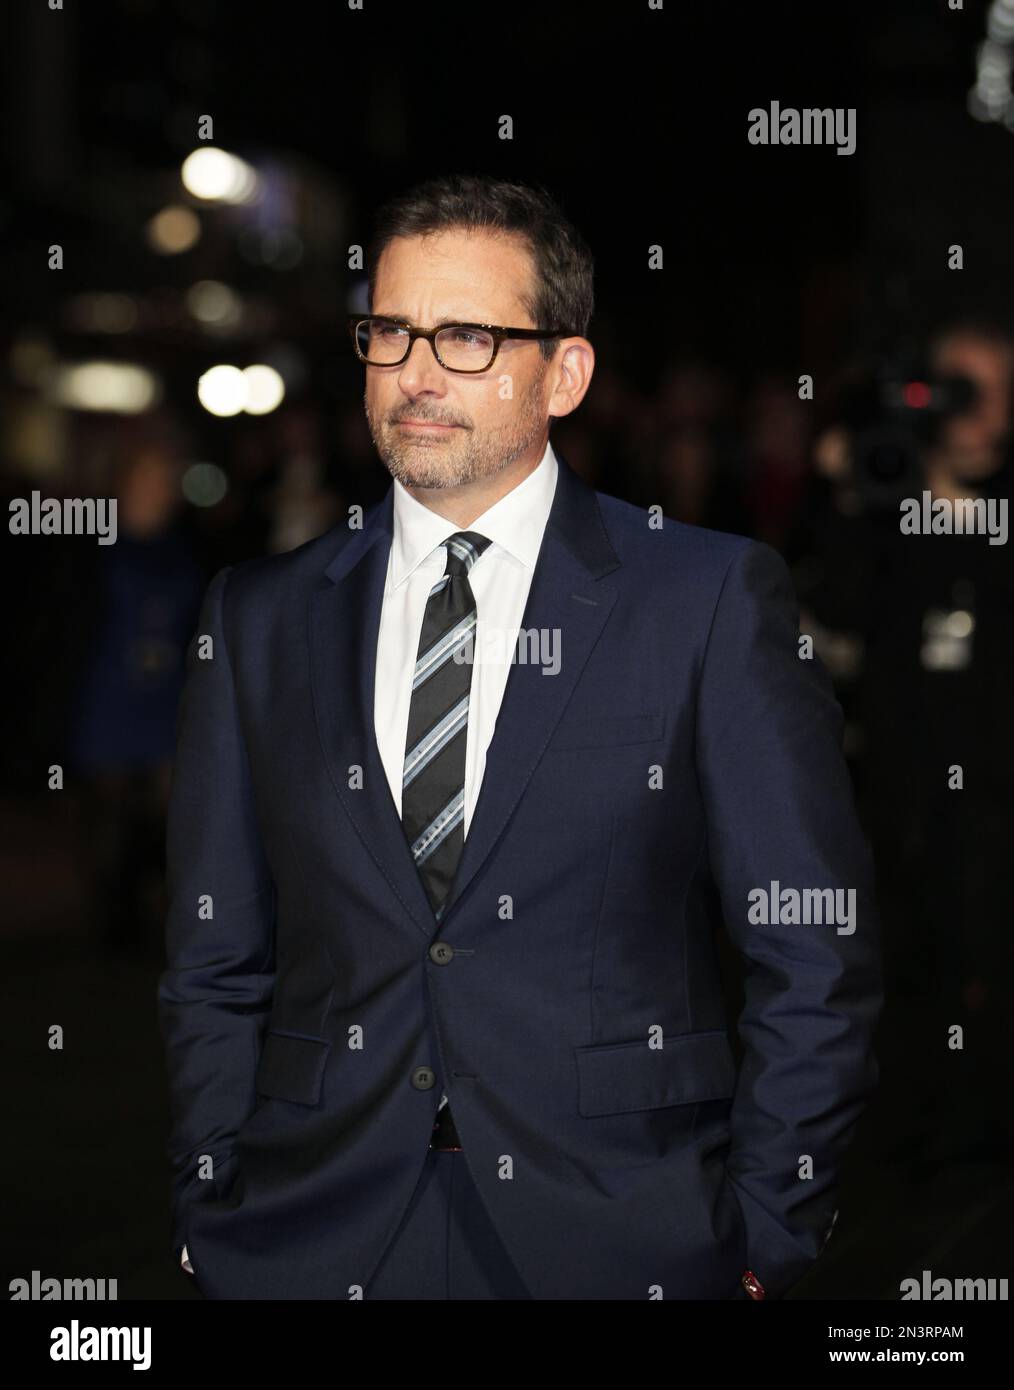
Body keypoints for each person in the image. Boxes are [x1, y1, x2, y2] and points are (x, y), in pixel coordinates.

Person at [157, 173, 883, 1301]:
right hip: (313, 1231)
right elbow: (215, 957)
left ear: (567, 371)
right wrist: (211, 1208)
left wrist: (769, 1229)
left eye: (466, 335)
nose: (416, 372)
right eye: (390, 332)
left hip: (620, 1231)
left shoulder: (704, 597)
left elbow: (814, 949)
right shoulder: (259, 617)